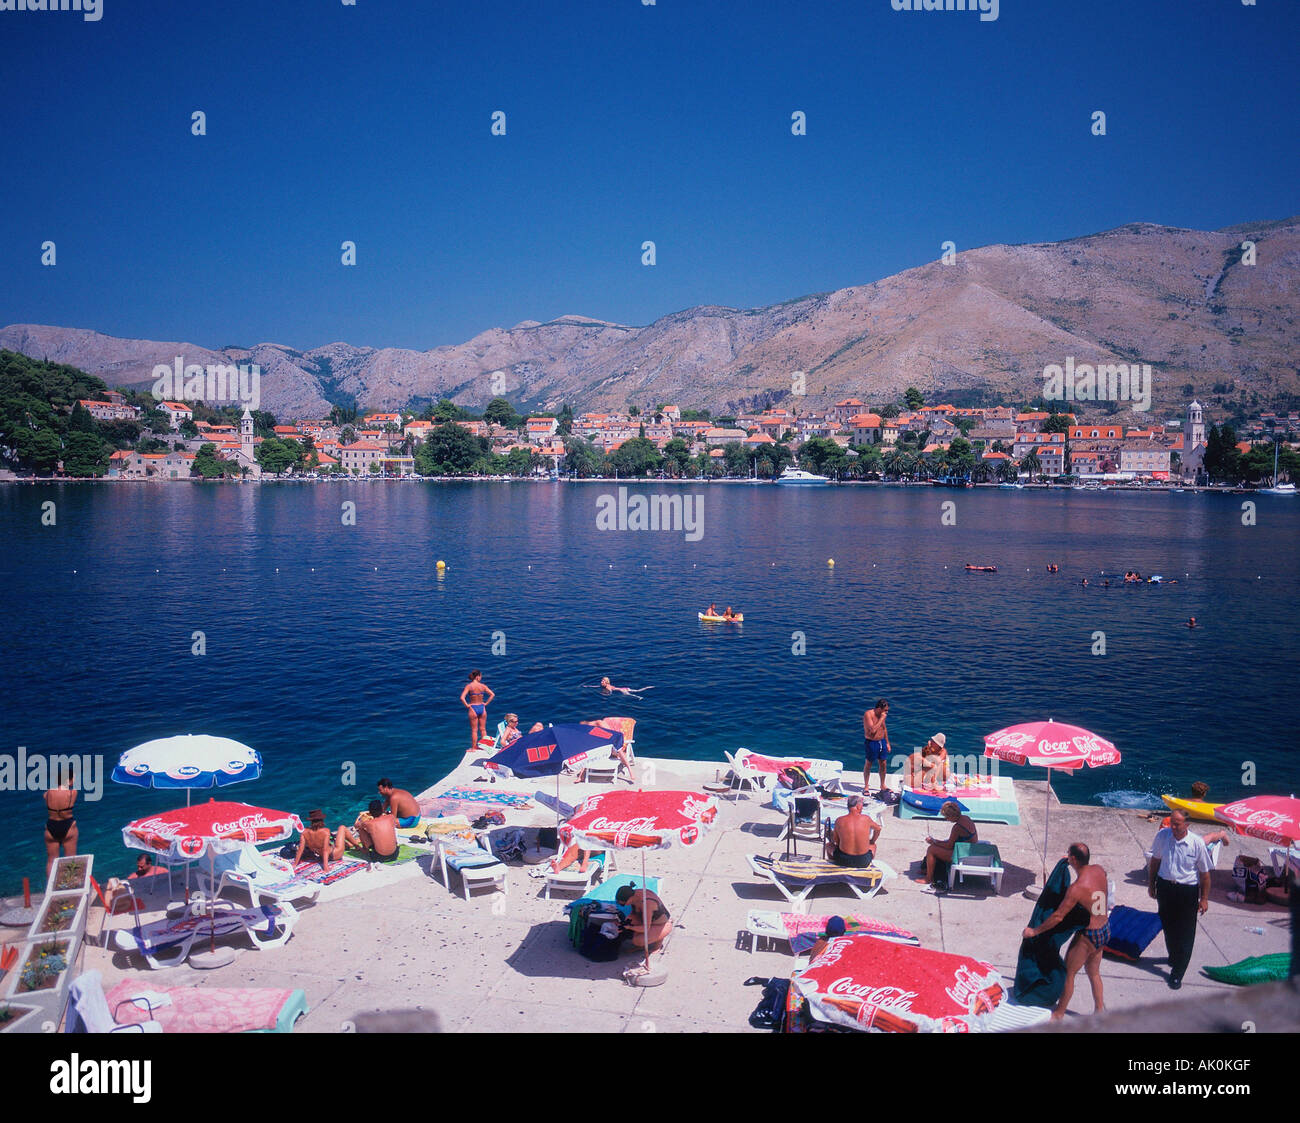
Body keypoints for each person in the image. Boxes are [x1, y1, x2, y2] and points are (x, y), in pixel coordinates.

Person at [1022, 843, 1109, 1020]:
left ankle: (1059, 1014)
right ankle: (1100, 1009)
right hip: (1105, 929)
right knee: (1093, 972)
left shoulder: (1076, 888)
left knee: (1068, 973)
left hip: (1089, 936)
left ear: (1074, 859)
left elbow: (1058, 917)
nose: (1067, 857)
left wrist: (1034, 931)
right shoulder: (1099, 870)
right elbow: (1096, 893)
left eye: (1069, 855)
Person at [1147, 809, 1213, 989]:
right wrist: (1151, 884)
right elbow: (1155, 861)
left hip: (1187, 891)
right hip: (1165, 887)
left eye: (1177, 824)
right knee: (1168, 926)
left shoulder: (1196, 843)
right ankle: (1174, 957)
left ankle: (1177, 973)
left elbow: (1205, 875)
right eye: (1171, 823)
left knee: (1185, 932)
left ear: (1187, 824)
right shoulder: (1163, 836)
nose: (1173, 827)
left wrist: (1204, 899)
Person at [915, 801, 978, 887]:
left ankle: (928, 878)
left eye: (947, 817)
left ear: (952, 816)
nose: (947, 819)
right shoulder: (966, 818)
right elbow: (951, 842)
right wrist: (936, 842)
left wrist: (934, 842)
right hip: (968, 849)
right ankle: (929, 869)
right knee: (935, 846)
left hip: (963, 855)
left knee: (931, 849)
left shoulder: (957, 827)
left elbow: (949, 846)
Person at [825, 795, 881, 867]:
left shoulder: (839, 820)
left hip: (843, 860)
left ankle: (834, 865)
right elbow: (878, 829)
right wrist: (872, 841)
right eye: (862, 805)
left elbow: (836, 840)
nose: (862, 807)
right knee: (873, 846)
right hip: (863, 861)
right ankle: (868, 867)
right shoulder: (866, 819)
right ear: (858, 806)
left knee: (828, 845)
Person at [616, 883, 672, 954]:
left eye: (623, 904)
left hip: (661, 924)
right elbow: (634, 913)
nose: (623, 906)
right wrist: (624, 924)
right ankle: (643, 945)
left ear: (630, 898)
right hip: (646, 919)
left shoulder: (647, 904)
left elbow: (645, 928)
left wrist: (629, 927)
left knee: (638, 940)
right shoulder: (634, 894)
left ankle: (658, 944)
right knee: (627, 921)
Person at [44, 775, 78, 877]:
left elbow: (45, 797)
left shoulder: (48, 792)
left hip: (51, 826)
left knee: (51, 860)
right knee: (70, 859)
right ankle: (70, 885)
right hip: (68, 825)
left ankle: (50, 885)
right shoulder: (73, 793)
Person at [862, 698, 892, 800]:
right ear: (879, 708)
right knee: (869, 763)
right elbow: (873, 730)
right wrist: (881, 719)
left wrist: (887, 743)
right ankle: (866, 786)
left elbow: (884, 729)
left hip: (881, 741)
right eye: (885, 710)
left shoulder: (881, 716)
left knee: (883, 763)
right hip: (871, 742)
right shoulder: (868, 714)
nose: (886, 712)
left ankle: (882, 785)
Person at [460, 670, 495, 752]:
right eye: (481, 676)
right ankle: (485, 746)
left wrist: (467, 705)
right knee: (483, 729)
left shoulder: (469, 686)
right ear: (477, 676)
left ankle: (473, 748)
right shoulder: (483, 686)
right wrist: (486, 703)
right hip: (482, 708)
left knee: (474, 730)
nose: (481, 678)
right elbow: (492, 694)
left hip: (473, 708)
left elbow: (462, 697)